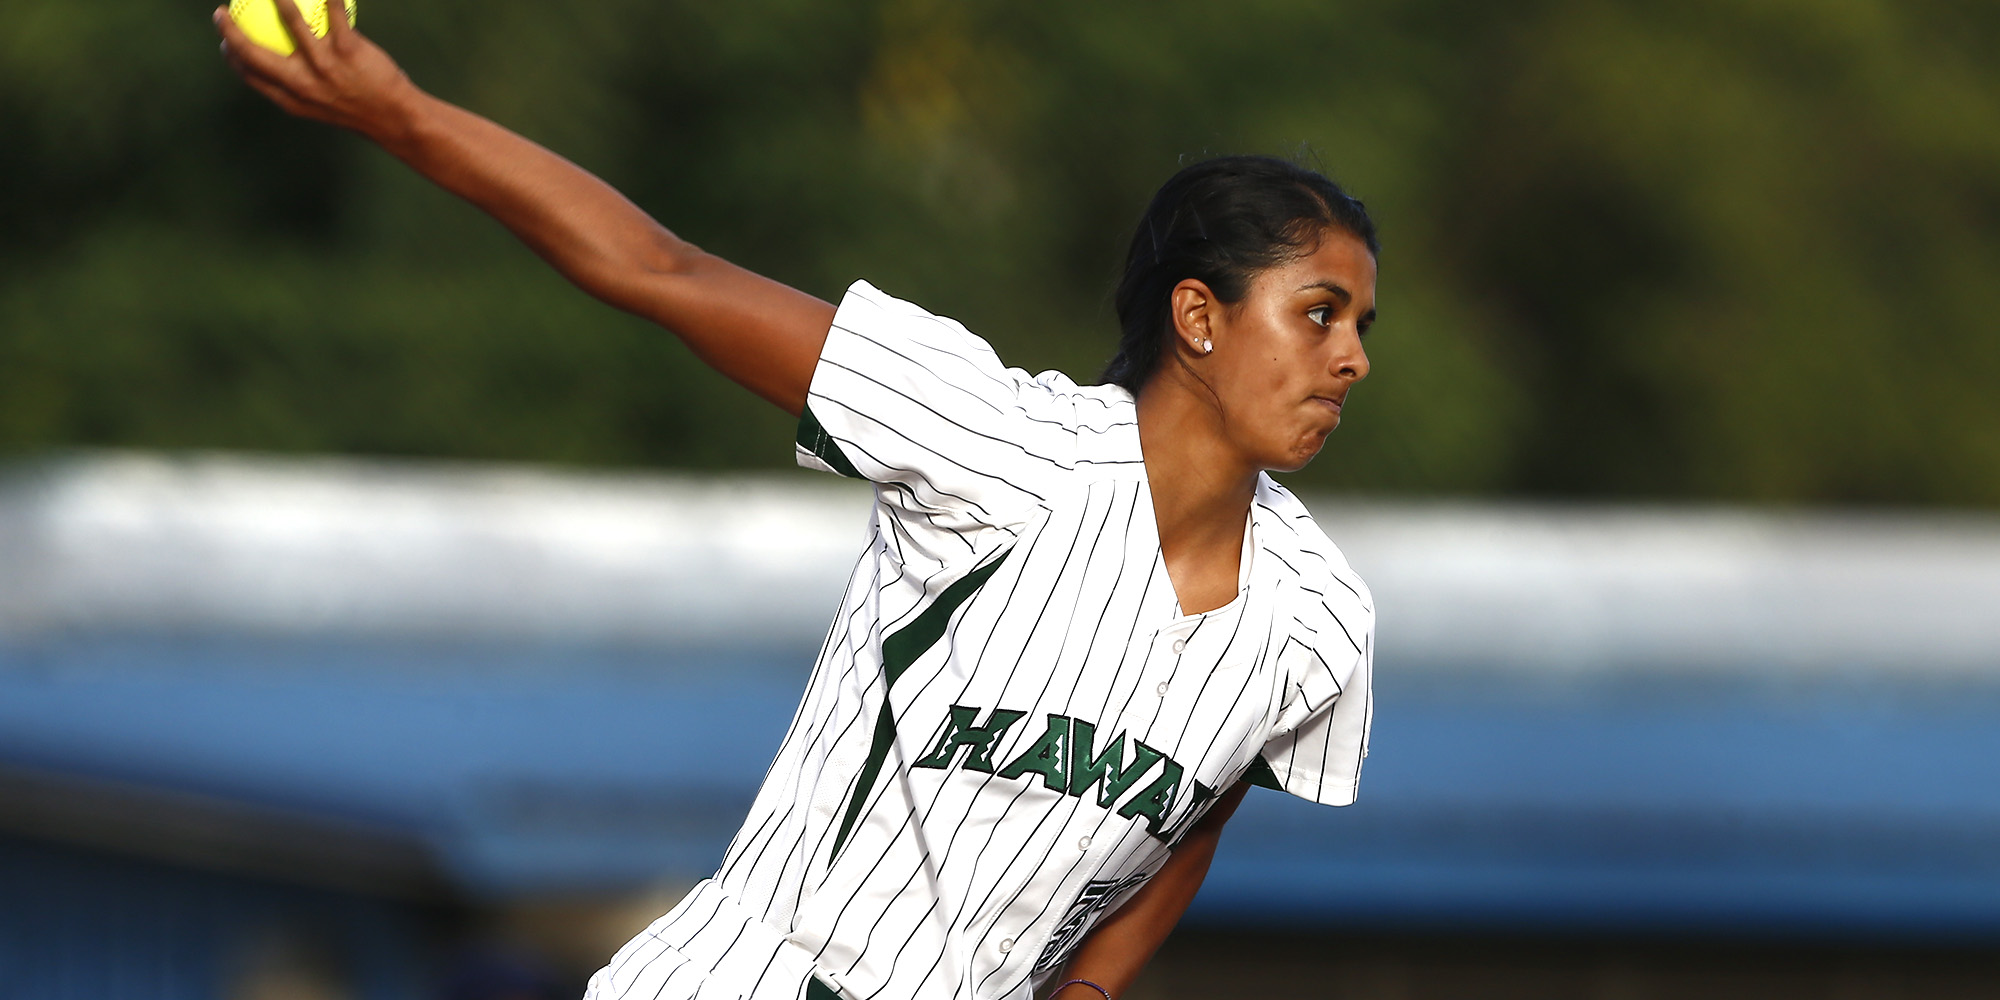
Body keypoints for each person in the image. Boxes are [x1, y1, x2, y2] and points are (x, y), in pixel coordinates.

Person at [214, 6, 1377, 999]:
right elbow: (661, 268)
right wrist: (397, 113)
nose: (1349, 358)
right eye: (1317, 312)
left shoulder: (1318, 617)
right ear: (1197, 315)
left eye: (1361, 326)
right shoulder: (996, 441)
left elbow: (1196, 819)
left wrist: (1087, 987)